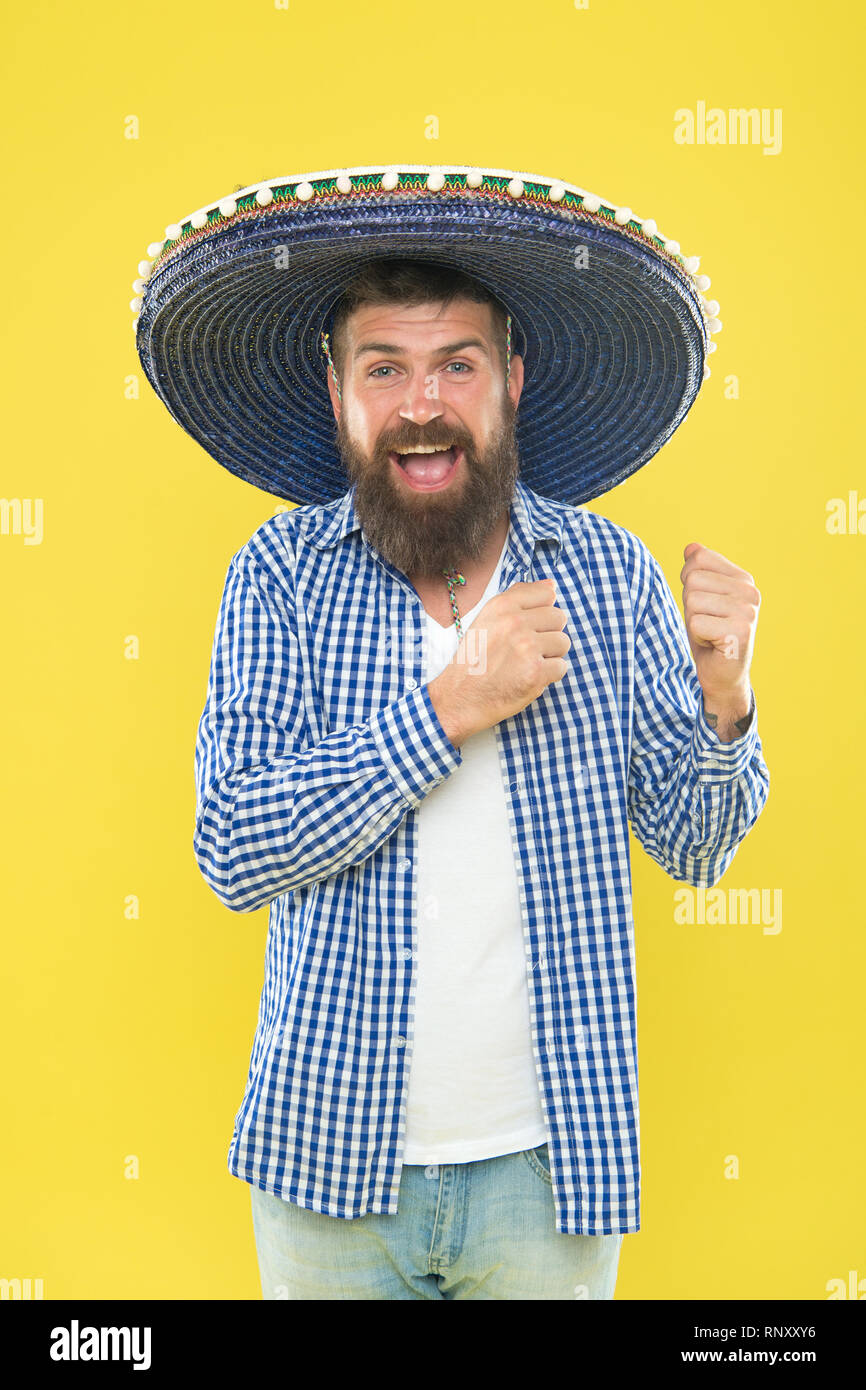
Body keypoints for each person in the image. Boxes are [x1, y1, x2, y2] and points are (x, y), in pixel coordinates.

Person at [133, 165, 770, 1299]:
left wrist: (722, 694)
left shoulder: (605, 571)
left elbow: (694, 844)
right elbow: (232, 845)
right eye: (384, 369)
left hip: (547, 1167)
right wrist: (448, 708)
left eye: (455, 366)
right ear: (336, 394)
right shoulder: (279, 578)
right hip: (327, 1168)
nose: (420, 404)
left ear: (510, 382)